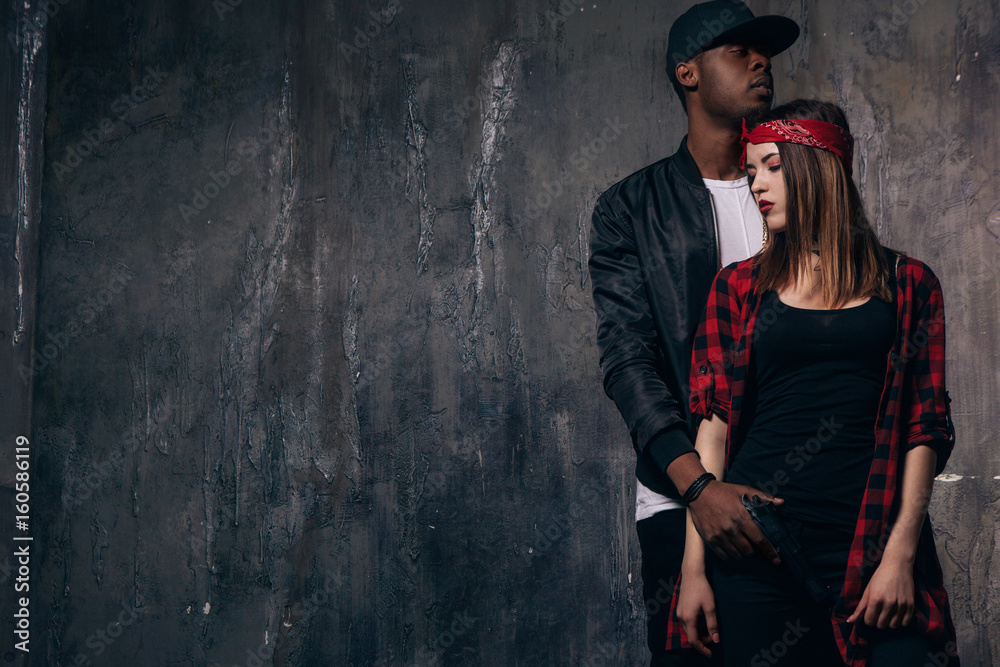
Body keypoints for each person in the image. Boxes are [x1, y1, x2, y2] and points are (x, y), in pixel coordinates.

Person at [670, 99, 961, 666]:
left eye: (772, 166)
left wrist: (900, 554)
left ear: (818, 166)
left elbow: (925, 429)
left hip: (870, 540)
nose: (757, 184)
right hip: (758, 547)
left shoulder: (909, 284)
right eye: (751, 171)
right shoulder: (737, 289)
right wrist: (693, 569)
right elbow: (713, 429)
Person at [587, 2, 800, 664]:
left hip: (798, 493)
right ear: (688, 73)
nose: (760, 60)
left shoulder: (803, 194)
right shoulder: (632, 207)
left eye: (762, 52)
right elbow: (629, 362)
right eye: (738, 51)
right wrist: (698, 490)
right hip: (682, 503)